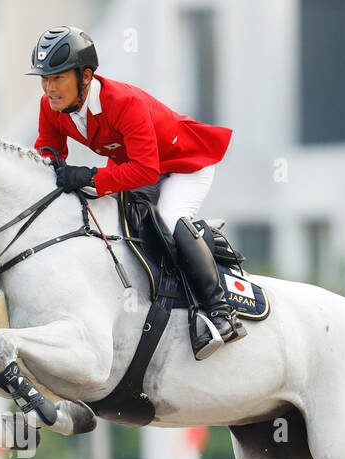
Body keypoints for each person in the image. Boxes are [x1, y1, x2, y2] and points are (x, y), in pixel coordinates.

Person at [28, 26, 245, 354]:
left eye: (57, 78)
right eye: (44, 79)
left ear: (85, 76)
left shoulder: (123, 102)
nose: (49, 88)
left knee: (170, 218)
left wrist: (89, 176)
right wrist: (51, 168)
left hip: (184, 166)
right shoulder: (52, 107)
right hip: (141, 170)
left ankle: (219, 311)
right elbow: (48, 146)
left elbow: (145, 169)